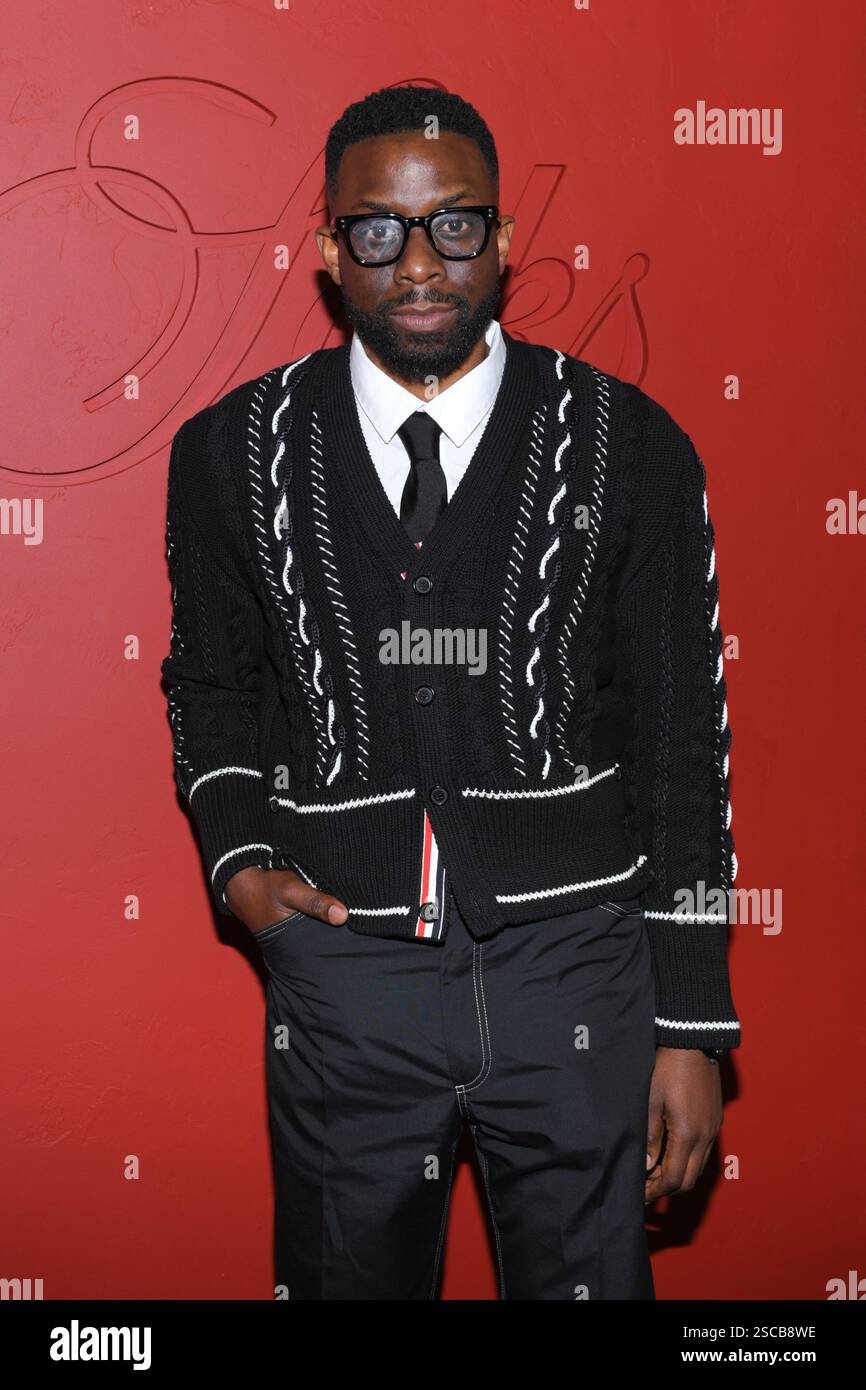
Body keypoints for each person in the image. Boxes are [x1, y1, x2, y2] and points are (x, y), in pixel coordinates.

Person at [160, 85, 741, 1301]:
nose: (419, 264)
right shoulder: (229, 452)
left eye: (454, 225)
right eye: (377, 230)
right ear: (329, 247)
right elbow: (211, 682)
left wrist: (689, 1025)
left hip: (575, 970)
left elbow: (681, 740)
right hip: (344, 979)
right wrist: (240, 862)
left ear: (504, 235)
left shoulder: (630, 446)